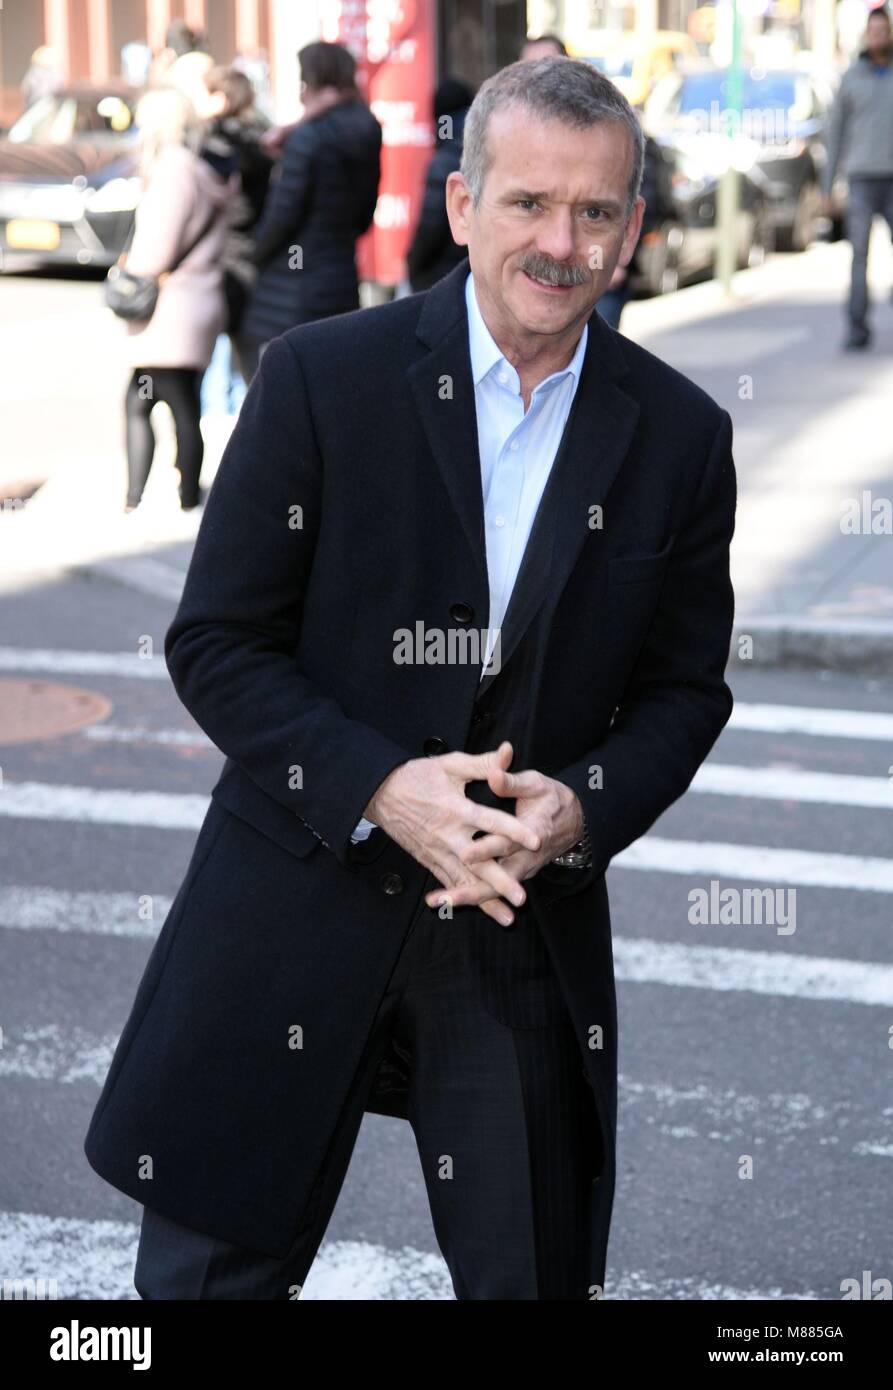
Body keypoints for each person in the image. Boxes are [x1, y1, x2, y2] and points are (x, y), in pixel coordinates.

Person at [84, 56, 737, 1300]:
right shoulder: (322, 379)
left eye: (595, 212)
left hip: (510, 926)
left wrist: (583, 803)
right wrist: (382, 785)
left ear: (633, 229)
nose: (559, 242)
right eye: (526, 203)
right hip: (293, 903)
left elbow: (684, 692)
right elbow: (215, 641)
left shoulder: (681, 433)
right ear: (458, 205)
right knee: (207, 1288)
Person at [117, 87, 233, 512]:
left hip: (171, 306)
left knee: (147, 402)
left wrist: (129, 271)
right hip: (197, 298)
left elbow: (156, 247)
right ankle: (180, 495)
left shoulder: (173, 169)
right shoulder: (205, 167)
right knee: (172, 400)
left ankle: (151, 499)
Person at [237, 41, 382, 380]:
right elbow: (365, 214)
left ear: (312, 80)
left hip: (291, 287)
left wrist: (255, 253)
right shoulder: (368, 129)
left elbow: (283, 215)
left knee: (281, 392)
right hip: (341, 278)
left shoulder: (308, 137)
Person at [198, 65, 274, 415]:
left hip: (230, 254)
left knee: (220, 346)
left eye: (209, 93)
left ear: (223, 98)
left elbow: (234, 204)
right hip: (250, 254)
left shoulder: (223, 141)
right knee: (242, 348)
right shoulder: (263, 133)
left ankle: (221, 416)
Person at [822, 4, 893, 349]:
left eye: (884, 31)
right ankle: (856, 327)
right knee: (860, 255)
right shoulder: (851, 78)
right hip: (862, 180)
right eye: (874, 32)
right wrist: (827, 185)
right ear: (867, 35)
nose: (878, 37)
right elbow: (834, 134)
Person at [405, 77, 474, 292]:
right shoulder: (486, 147)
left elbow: (430, 225)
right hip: (474, 273)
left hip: (441, 278)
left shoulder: (445, 159)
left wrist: (414, 264)